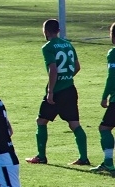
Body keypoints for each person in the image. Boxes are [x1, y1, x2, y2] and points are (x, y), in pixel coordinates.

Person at [26, 19, 89, 165]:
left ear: (46, 32)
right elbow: (77, 67)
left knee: (41, 121)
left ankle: (41, 157)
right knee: (74, 124)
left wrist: (50, 91)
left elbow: (53, 70)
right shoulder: (68, 44)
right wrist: (67, 78)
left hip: (57, 91)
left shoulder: (48, 47)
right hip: (70, 89)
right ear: (58, 30)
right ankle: (84, 158)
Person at [91, 22, 115, 173]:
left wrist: (104, 96)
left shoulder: (113, 53)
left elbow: (112, 77)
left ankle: (108, 163)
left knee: (104, 128)